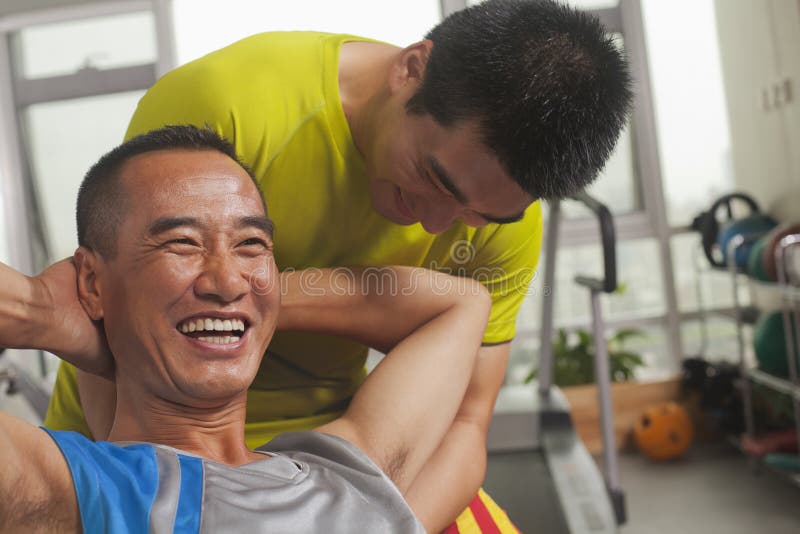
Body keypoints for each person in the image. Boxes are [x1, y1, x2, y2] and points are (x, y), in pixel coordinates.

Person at [44, 0, 632, 529]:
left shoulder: (504, 218)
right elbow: (116, 315)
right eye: (433, 178)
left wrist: (369, 523)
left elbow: (464, 425)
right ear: (411, 70)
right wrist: (141, 499)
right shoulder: (230, 103)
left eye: (475, 214)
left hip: (338, 463)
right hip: (136, 439)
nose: (433, 224)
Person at [0, 125, 493, 533]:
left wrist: (260, 304)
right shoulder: (91, 491)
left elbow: (460, 305)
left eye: (251, 244)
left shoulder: (346, 471)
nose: (227, 279)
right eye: (182, 242)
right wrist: (35, 308)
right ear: (91, 282)